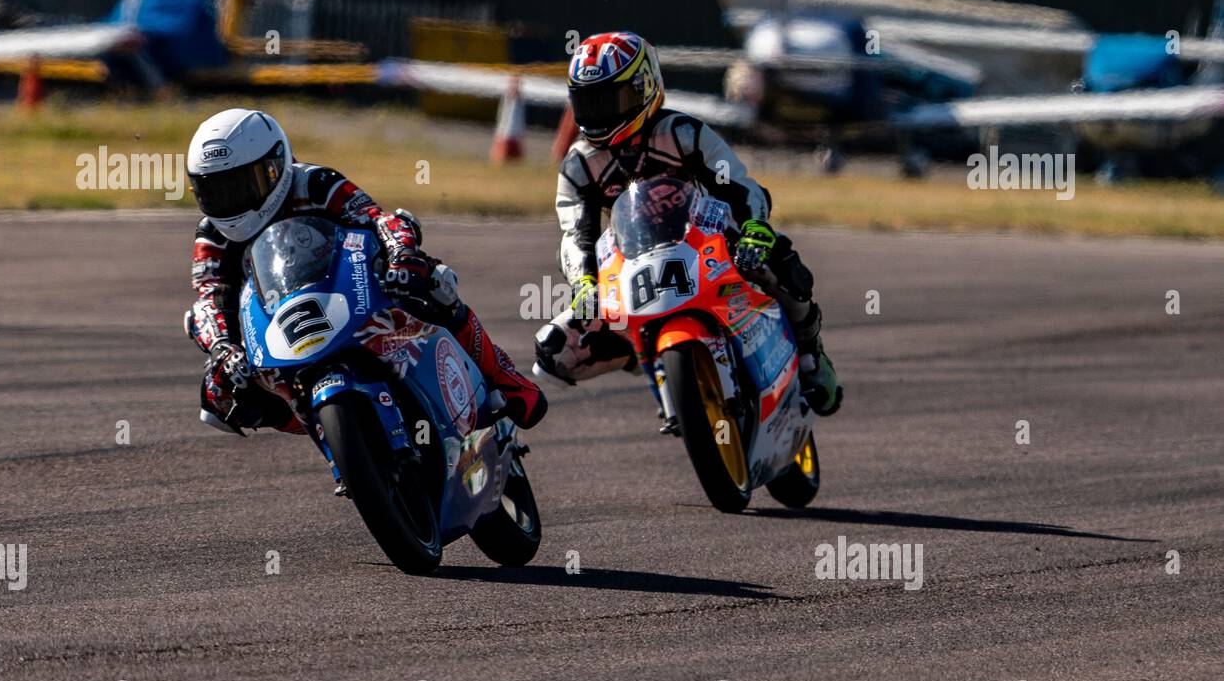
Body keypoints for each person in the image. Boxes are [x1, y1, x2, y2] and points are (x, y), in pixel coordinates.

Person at [533, 31, 841, 415]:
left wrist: (754, 227)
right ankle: (644, 355)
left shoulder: (683, 133)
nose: (598, 114)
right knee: (553, 353)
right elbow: (577, 234)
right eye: (586, 102)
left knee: (781, 260)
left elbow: (741, 187)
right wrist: (584, 285)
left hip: (708, 238)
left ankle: (812, 356)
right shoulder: (578, 166)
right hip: (631, 260)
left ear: (644, 88)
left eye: (609, 100)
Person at [186, 107, 546, 434]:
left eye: (240, 185)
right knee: (218, 393)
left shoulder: (315, 183)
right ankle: (326, 427)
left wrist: (402, 254)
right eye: (214, 190)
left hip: (351, 283)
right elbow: (209, 297)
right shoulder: (212, 234)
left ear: (274, 165)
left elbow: (378, 219)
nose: (228, 202)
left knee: (434, 283)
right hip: (277, 323)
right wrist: (221, 348)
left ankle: (504, 377)